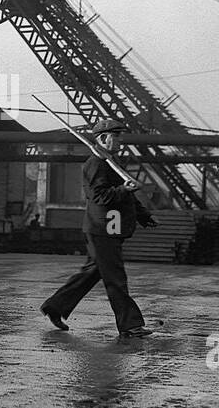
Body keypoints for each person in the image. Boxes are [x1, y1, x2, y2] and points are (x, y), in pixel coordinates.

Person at [39, 119, 158, 339]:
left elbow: (124, 195)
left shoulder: (111, 161)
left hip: (110, 226)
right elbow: (99, 196)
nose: (121, 140)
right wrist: (124, 188)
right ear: (103, 138)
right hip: (103, 228)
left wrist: (142, 215)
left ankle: (55, 307)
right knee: (115, 277)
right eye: (117, 136)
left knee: (92, 272)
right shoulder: (96, 164)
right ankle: (130, 325)